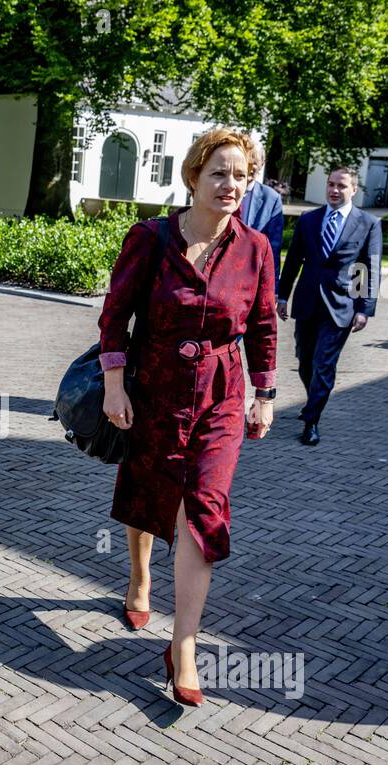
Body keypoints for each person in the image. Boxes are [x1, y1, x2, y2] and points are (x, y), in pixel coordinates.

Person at [98, 127, 278, 706]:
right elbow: (115, 315)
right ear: (195, 177)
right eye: (219, 173)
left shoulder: (255, 249)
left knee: (203, 509)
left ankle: (185, 645)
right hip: (153, 388)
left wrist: (265, 393)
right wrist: (114, 386)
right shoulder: (151, 239)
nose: (231, 185)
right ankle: (140, 574)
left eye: (241, 176)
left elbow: (267, 324)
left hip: (221, 396)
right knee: (149, 490)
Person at [277, 166, 382, 445]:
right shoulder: (308, 220)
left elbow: (368, 268)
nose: (335, 190)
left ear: (354, 190)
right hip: (307, 302)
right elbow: (293, 261)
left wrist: (364, 308)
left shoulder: (368, 223)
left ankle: (311, 421)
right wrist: (282, 295)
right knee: (305, 362)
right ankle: (313, 400)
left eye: (342, 186)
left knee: (324, 364)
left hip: (341, 306)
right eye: (331, 184)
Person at [238, 142, 283, 273]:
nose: (250, 166)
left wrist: (273, 288)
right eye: (246, 160)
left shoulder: (272, 199)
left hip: (251, 273)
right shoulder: (224, 190)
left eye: (255, 161)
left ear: (262, 164)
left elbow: (274, 248)